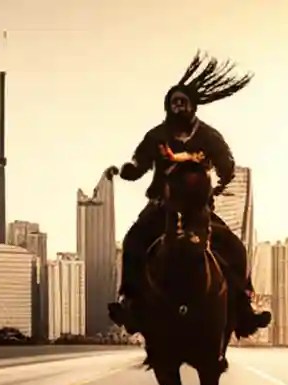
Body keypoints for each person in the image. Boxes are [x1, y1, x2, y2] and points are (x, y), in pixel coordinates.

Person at [106, 52, 272, 338]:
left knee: (235, 248)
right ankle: (129, 304)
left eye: (183, 102)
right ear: (168, 107)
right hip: (161, 206)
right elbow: (139, 163)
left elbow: (226, 164)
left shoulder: (209, 136)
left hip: (198, 210)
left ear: (193, 106)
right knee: (133, 242)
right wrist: (125, 170)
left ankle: (244, 308)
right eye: (174, 103)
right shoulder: (156, 135)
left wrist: (221, 179)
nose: (178, 106)